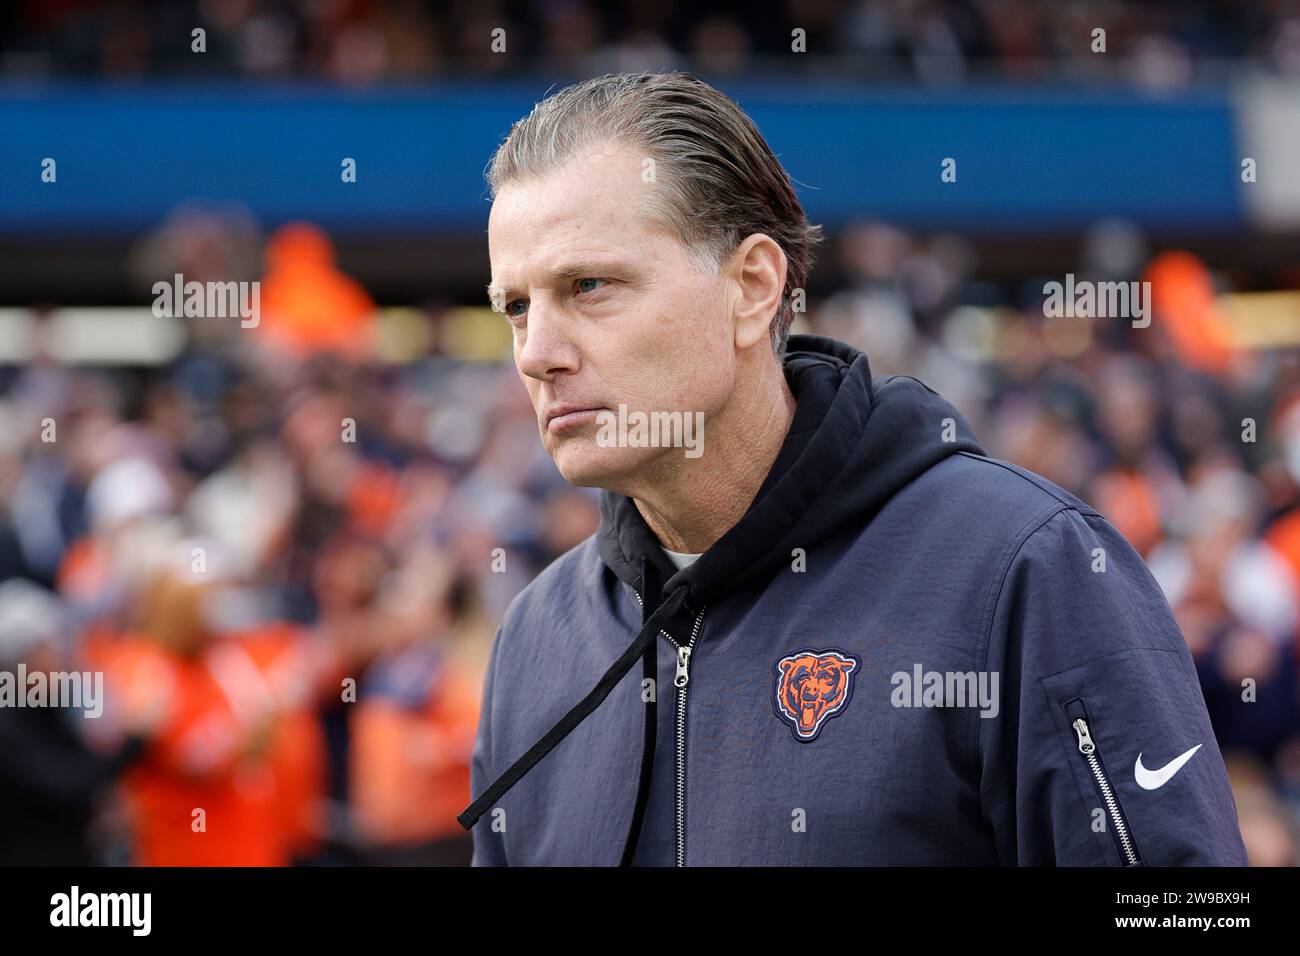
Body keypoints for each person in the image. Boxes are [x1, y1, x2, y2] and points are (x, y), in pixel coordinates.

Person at [459, 71, 1248, 866]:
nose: (536, 354)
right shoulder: (537, 636)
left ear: (752, 287)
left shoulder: (1024, 570)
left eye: (588, 286)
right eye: (517, 307)